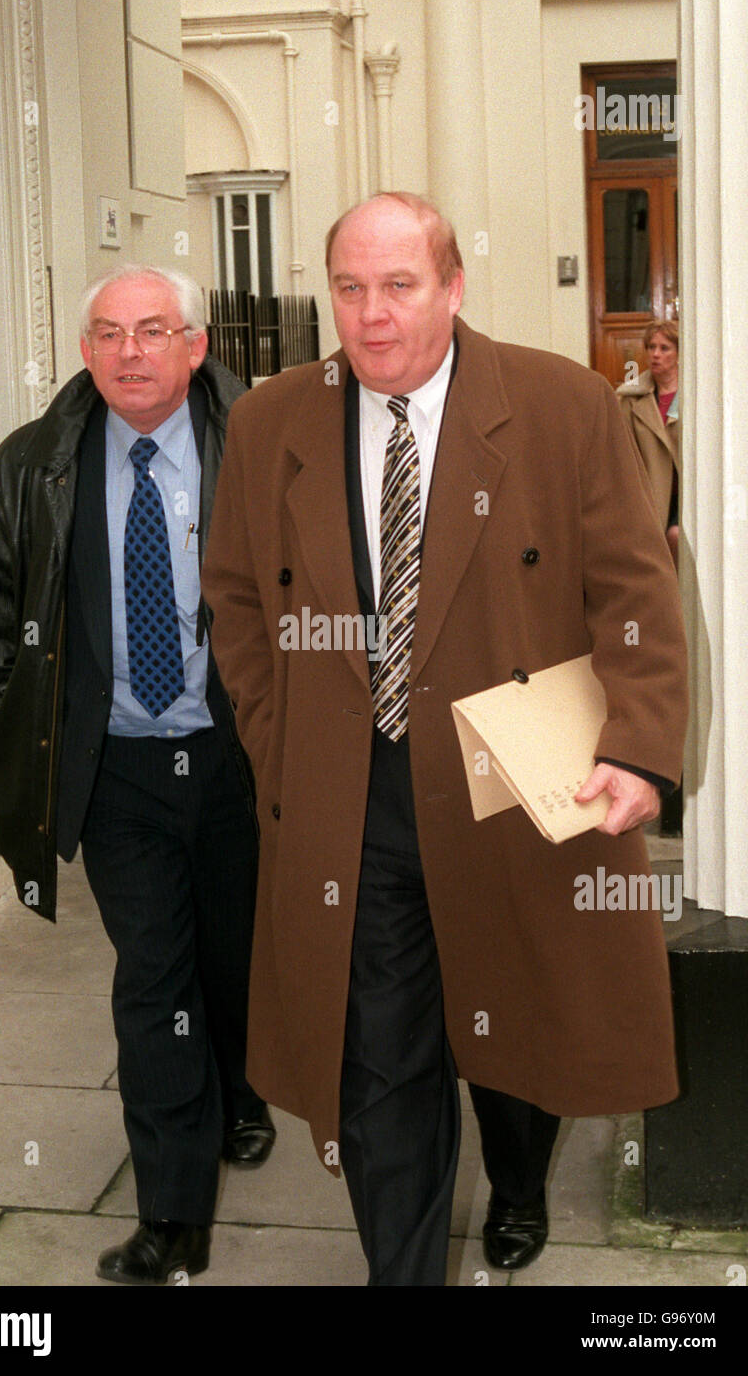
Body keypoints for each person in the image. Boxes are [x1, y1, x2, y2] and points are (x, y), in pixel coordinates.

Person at [201, 193, 688, 1287]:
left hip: (509, 780)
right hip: (353, 797)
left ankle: (516, 1183)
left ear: (453, 288)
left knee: (515, 1023)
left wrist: (637, 744)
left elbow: (633, 592)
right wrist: (279, 746)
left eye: (399, 286)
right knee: (379, 1060)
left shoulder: (560, 406)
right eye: (350, 288)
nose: (371, 315)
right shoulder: (273, 420)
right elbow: (235, 600)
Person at [0, 264, 275, 1286]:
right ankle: (172, 1218)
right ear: (85, 349)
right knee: (153, 977)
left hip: (236, 757)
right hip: (117, 771)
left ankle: (239, 1089)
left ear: (196, 345)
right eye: (108, 332)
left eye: (152, 330)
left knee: (233, 961)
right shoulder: (30, 468)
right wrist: (6, 768)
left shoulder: (263, 447)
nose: (129, 351)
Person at [615, 320, 680, 567]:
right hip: (651, 494)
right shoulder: (631, 396)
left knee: (676, 537)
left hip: (688, 492)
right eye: (651, 347)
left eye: (664, 348)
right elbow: (622, 450)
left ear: (678, 353)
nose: (655, 354)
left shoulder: (695, 392)